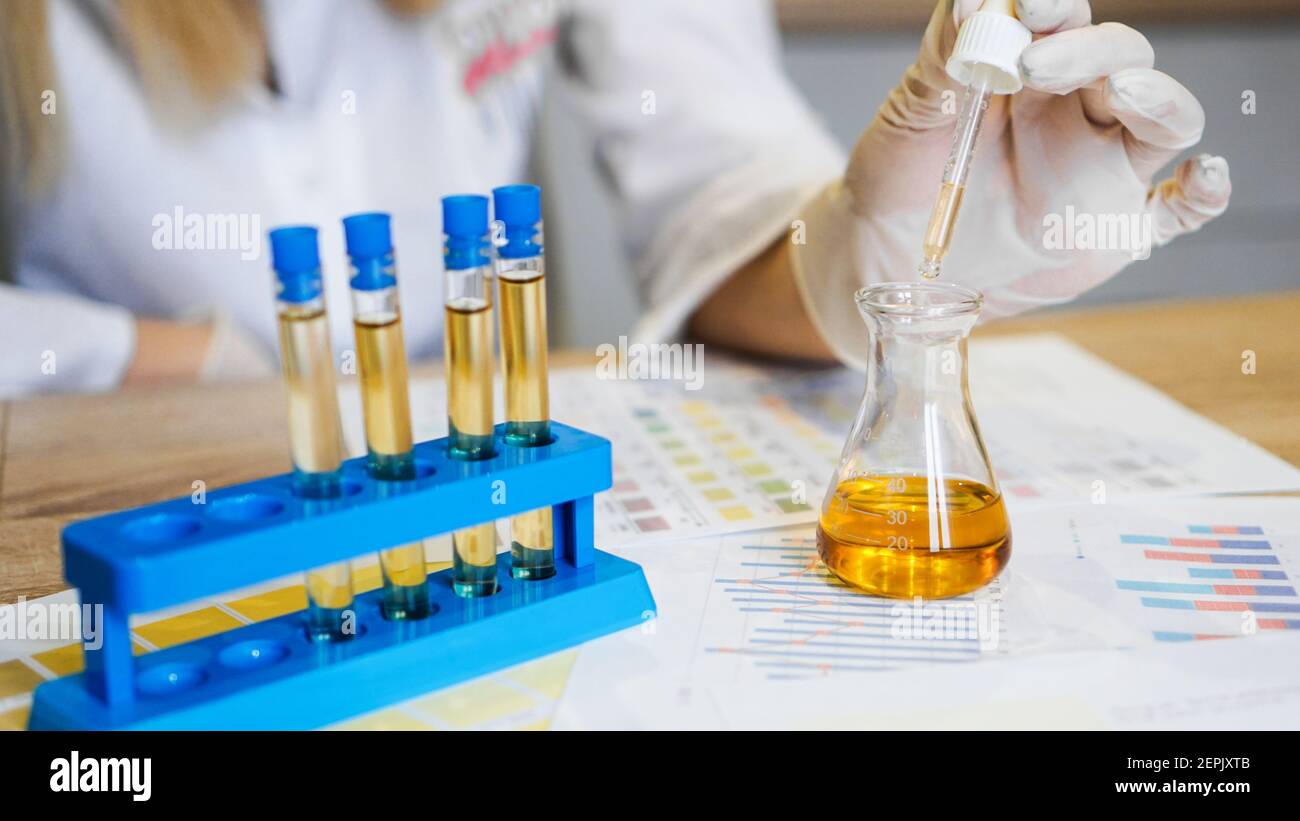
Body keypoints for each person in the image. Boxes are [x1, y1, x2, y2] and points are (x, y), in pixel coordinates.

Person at [0, 0, 1230, 396]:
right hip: (87, 485)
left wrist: (868, 256)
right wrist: (154, 359)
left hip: (436, 493)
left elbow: (721, 187)